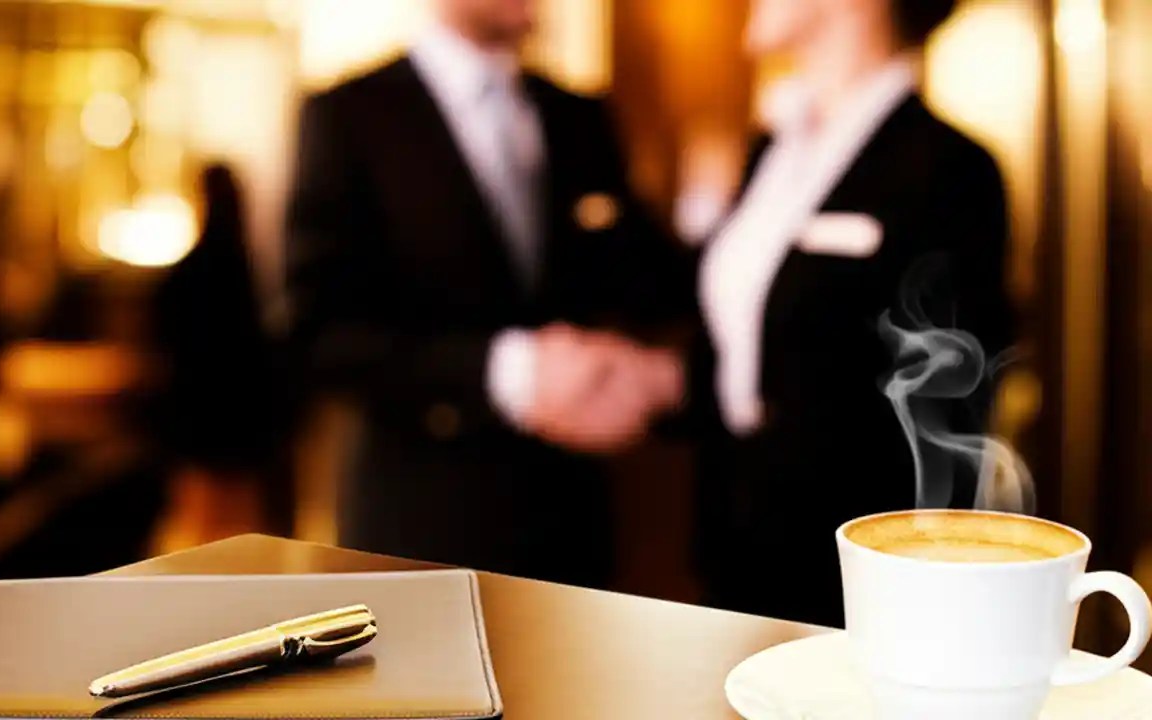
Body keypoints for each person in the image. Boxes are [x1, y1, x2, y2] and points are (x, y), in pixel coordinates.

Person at [288, 0, 691, 587]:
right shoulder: (351, 114)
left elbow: (653, 284)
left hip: (570, 523)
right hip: (420, 525)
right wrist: (509, 370)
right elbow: (316, 335)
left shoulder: (578, 115)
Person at [691, 0, 1013, 626]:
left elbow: (953, 412)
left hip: (856, 576)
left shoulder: (949, 168)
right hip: (734, 552)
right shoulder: (771, 151)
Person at [152, 164, 284, 541]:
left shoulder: (191, 273)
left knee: (202, 530)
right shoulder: (256, 273)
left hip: (200, 418)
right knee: (243, 532)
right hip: (243, 418)